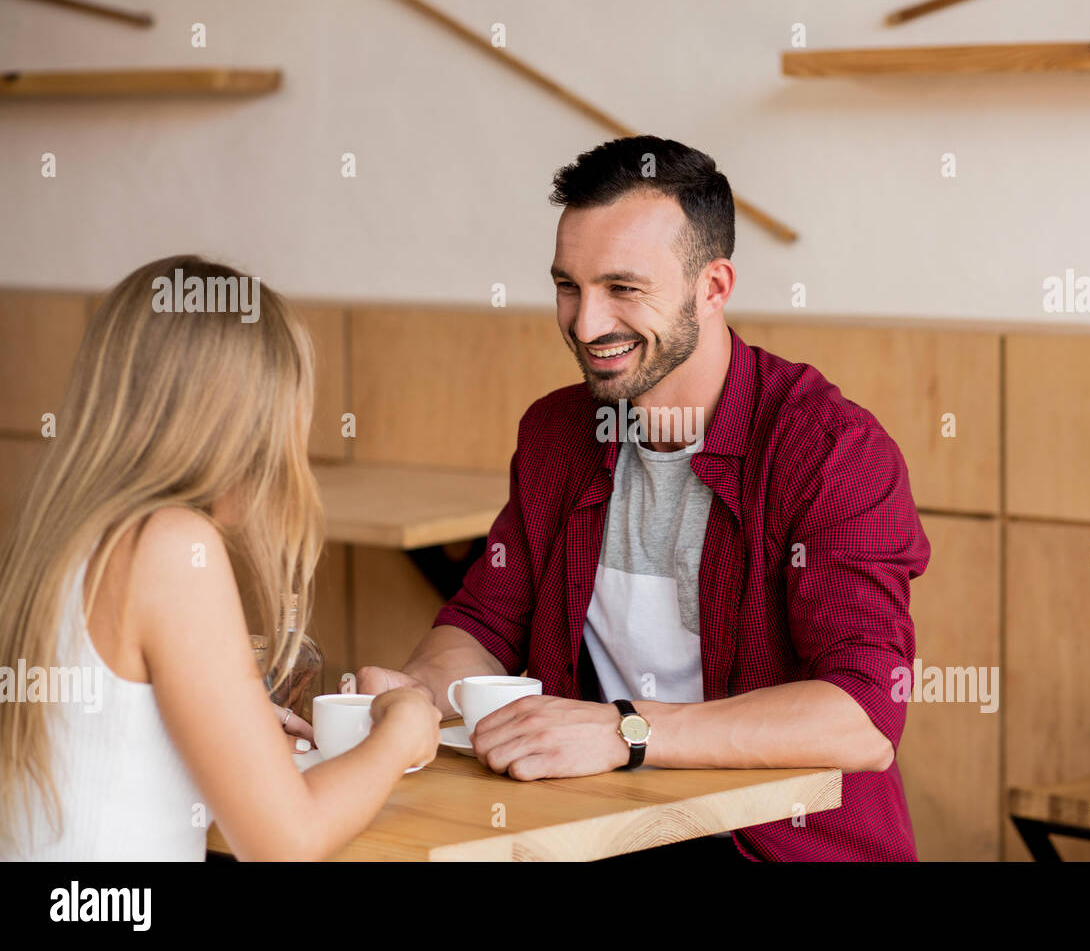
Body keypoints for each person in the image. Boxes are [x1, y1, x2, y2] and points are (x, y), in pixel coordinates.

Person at [357, 137, 931, 861]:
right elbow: (482, 624)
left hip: (780, 851)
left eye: (623, 289)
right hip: (603, 832)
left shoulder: (831, 451)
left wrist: (623, 730)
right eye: (569, 286)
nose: (586, 324)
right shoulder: (557, 433)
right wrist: (415, 692)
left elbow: (864, 715)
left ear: (713, 287)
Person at [0, 255, 441, 861]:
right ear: (241, 423)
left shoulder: (55, 536)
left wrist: (240, 733)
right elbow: (286, 843)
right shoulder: (171, 545)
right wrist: (403, 733)